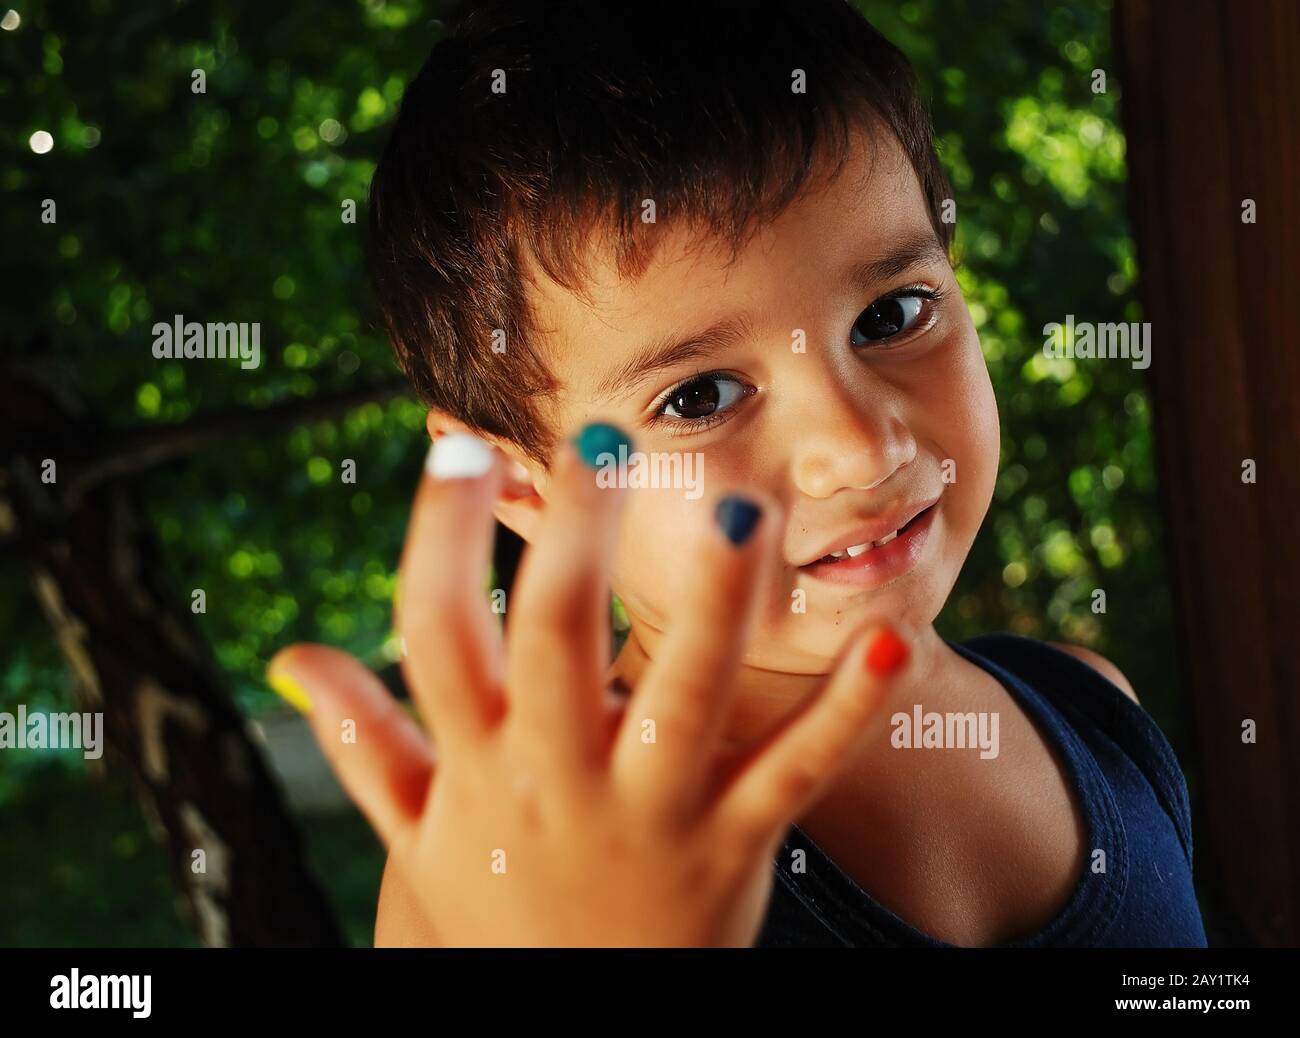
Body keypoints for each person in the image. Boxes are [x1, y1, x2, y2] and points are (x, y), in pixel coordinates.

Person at [267, 0, 1207, 947]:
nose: (861, 448)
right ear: (516, 485)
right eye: (701, 396)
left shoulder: (1096, 715)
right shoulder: (515, 886)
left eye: (892, 315)